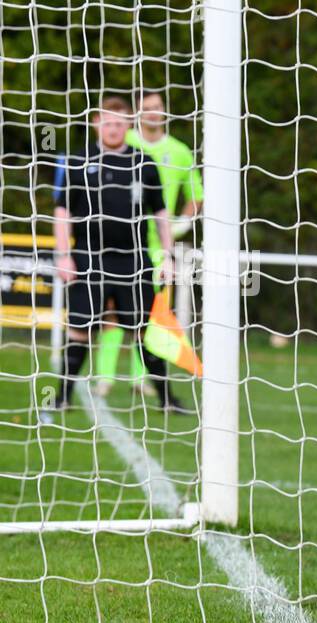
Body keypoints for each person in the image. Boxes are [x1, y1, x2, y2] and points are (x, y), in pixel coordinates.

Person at [50, 95, 191, 417]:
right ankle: (62, 397)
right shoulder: (79, 161)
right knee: (80, 328)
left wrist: (167, 255)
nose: (113, 128)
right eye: (107, 122)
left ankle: (167, 398)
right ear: (96, 123)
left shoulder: (143, 162)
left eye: (119, 122)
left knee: (144, 330)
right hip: (88, 258)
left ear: (129, 125)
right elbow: (62, 210)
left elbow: (160, 212)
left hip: (133, 259)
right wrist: (63, 255)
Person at [94, 88, 205, 396]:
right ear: (138, 114)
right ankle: (105, 376)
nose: (154, 112)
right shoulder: (126, 143)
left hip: (160, 248)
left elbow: (196, 194)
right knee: (112, 311)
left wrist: (180, 225)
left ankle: (140, 379)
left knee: (148, 315)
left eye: (158, 106)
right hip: (124, 242)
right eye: (148, 108)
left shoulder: (179, 150)